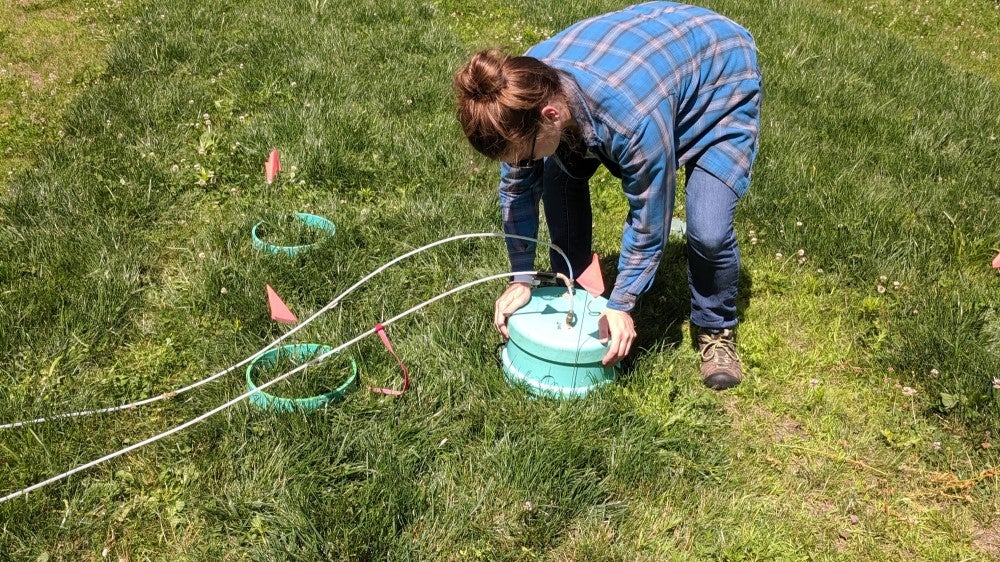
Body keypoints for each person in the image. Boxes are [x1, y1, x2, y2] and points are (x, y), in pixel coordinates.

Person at [453, 2, 761, 390]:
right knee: (557, 172)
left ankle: (716, 327)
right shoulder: (518, 91)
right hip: (649, 61)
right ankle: (576, 286)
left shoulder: (632, 121)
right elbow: (517, 191)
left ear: (550, 115)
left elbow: (650, 216)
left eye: (524, 156)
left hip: (720, 72)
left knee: (708, 230)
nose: (522, 165)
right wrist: (521, 276)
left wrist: (623, 303)